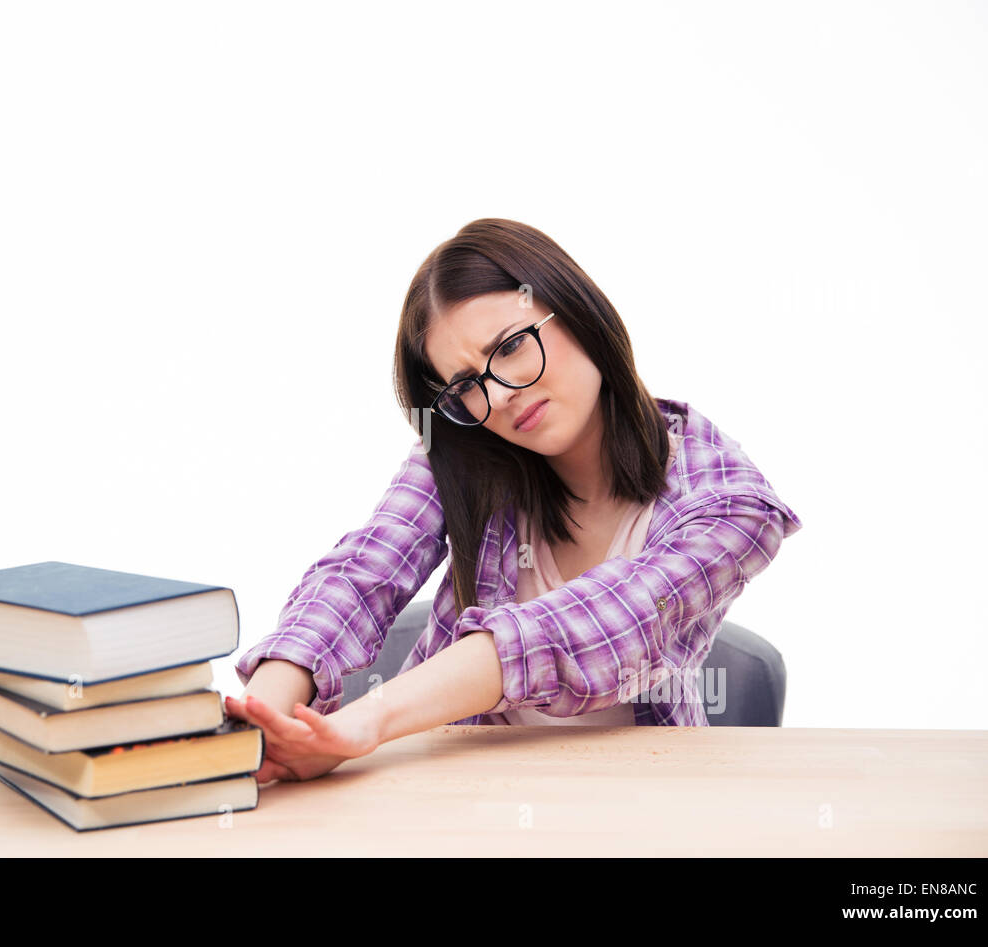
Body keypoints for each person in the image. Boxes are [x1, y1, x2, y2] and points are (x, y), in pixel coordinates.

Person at [226, 218, 803, 784]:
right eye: (467, 385)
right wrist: (262, 723)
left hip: (635, 802)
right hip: (449, 790)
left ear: (577, 309)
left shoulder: (732, 505)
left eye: (510, 348)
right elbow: (363, 574)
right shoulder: (464, 450)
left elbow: (592, 629)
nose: (498, 396)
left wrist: (365, 722)